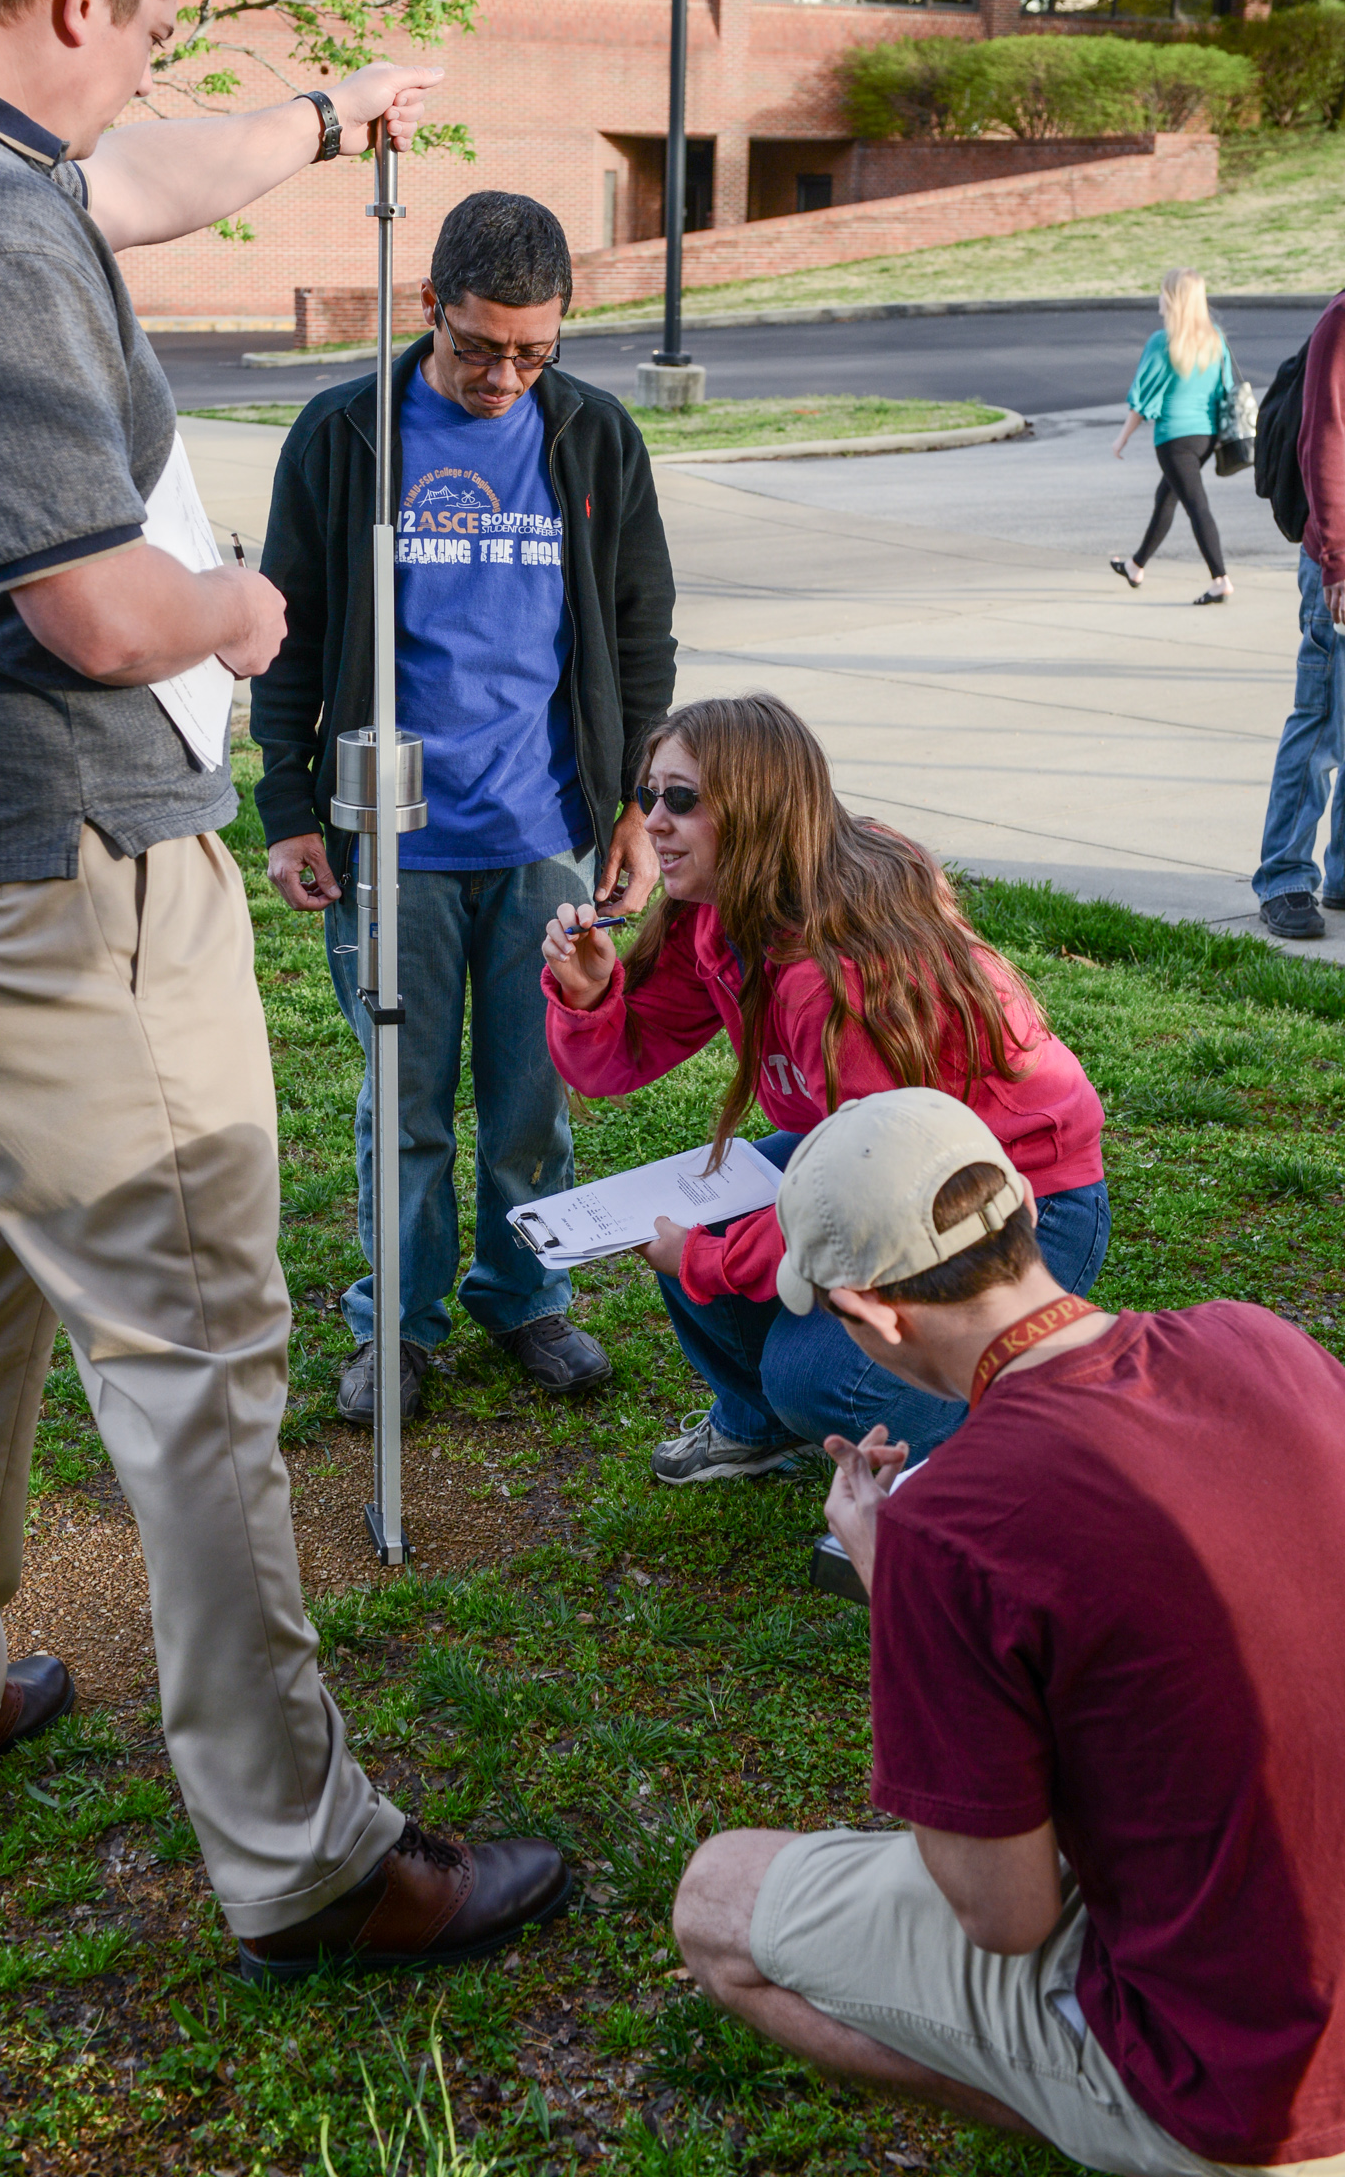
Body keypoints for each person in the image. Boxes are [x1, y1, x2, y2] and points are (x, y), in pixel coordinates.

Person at [0, 0, 567, 1979]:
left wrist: (321, 117)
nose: (137, 84)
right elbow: (105, 615)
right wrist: (239, 608)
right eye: (146, 38)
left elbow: (115, 180)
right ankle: (303, 1853)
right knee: (197, 1337)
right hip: (62, 863)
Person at [674, 1085, 1345, 2177]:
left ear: (874, 1312)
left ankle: (1125, 2125)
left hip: (1259, 2102)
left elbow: (1006, 1917)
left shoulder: (950, 1527)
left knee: (716, 1903)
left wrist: (901, 1585)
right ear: (1022, 1208)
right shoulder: (1256, 1337)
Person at [252, 191, 677, 1427]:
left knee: (534, 1090)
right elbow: (288, 639)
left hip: (546, 830)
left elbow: (639, 636)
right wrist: (288, 809)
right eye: (480, 345)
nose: (504, 374)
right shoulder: (347, 435)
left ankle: (525, 1295)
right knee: (408, 1096)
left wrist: (635, 809)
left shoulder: (593, 438)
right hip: (392, 841)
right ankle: (400, 1322)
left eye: (533, 351)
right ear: (429, 304)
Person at [540, 695, 1108, 1483]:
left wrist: (705, 1261)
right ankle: (756, 1427)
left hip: (1014, 1194)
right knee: (689, 1203)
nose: (654, 821)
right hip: (865, 1147)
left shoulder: (831, 972)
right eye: (648, 794)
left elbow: (889, 1188)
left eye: (682, 799)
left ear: (756, 808)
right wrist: (592, 994)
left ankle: (981, 1439)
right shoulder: (714, 913)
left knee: (822, 1384)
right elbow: (611, 1069)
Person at [1251, 290, 1345, 943]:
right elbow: (1324, 440)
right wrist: (1338, 561)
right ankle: (1285, 875)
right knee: (1319, 725)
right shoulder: (1343, 322)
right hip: (1340, 568)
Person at [1109, 268, 1235, 603]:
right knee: (1167, 496)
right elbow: (1225, 387)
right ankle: (1136, 566)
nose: (1159, 297)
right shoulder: (1215, 337)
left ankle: (1220, 578)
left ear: (1174, 299)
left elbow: (1142, 397)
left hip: (1174, 439)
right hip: (1206, 438)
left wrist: (1121, 439)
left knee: (1196, 505)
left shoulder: (1162, 342)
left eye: (1163, 291)